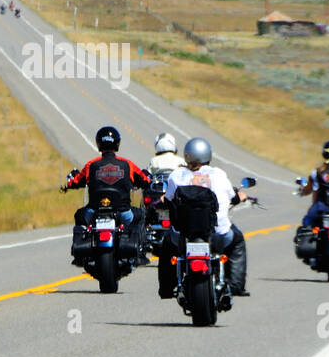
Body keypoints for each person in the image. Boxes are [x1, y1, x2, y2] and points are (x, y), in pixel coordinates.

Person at [162, 137, 251, 297]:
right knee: (237, 241)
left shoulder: (176, 175)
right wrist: (241, 196)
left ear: (187, 155)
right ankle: (236, 285)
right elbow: (232, 197)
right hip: (216, 233)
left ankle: (167, 288)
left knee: (167, 243)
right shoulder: (219, 174)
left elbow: (167, 199)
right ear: (208, 155)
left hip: (184, 235)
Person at [61, 125, 151, 267]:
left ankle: (79, 256)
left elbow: (76, 181)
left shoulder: (91, 165)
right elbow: (145, 180)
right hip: (123, 212)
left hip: (94, 211)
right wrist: (147, 179)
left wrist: (69, 183)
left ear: (99, 143)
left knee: (79, 216)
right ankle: (140, 254)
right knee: (140, 215)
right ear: (117, 143)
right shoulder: (128, 164)